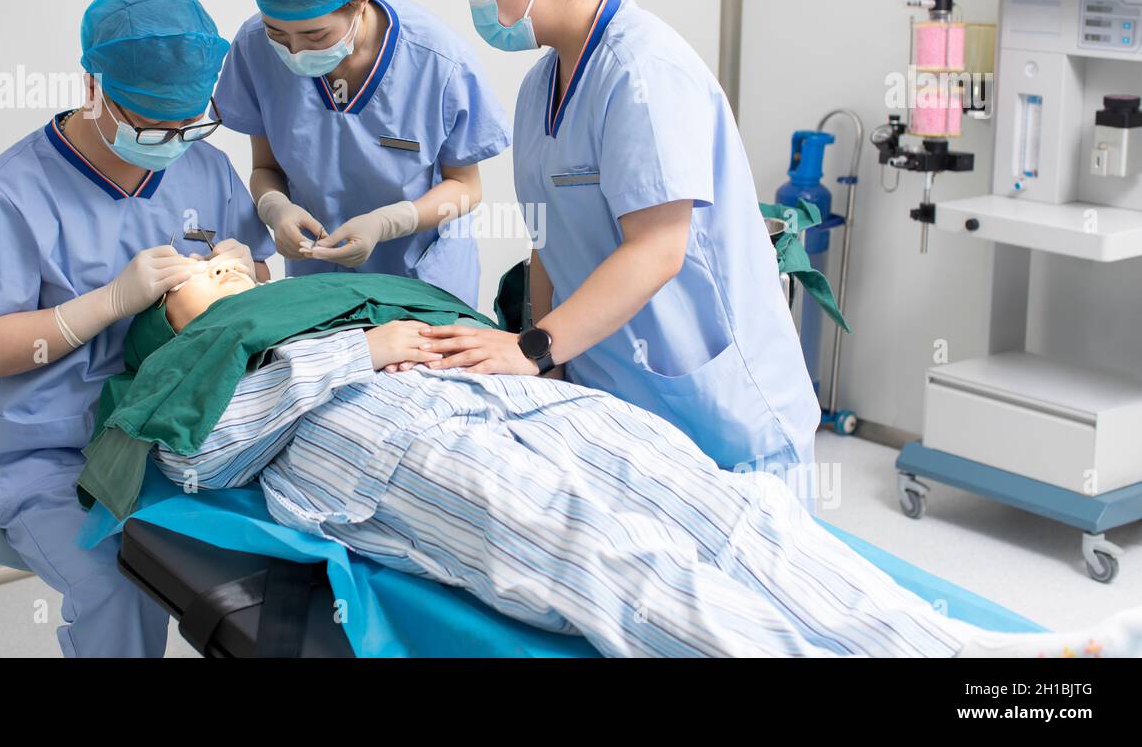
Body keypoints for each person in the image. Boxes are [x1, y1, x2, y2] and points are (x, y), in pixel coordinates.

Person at [132, 271, 1142, 658]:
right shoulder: (198, 366)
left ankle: (993, 659)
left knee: (732, 511)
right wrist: (358, 351)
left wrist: (411, 331)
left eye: (230, 260)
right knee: (605, 557)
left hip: (531, 406)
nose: (221, 268)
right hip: (398, 452)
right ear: (172, 322)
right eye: (194, 275)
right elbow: (204, 459)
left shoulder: (344, 290)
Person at [424, 0, 818, 479]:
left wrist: (531, 350)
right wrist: (547, 363)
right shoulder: (538, 89)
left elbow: (657, 250)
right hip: (613, 392)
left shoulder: (644, 73)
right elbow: (548, 242)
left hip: (714, 401)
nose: (475, 0)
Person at [0, 0, 275, 657]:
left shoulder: (203, 166)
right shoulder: (8, 196)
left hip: (185, 441)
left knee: (287, 567)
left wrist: (251, 271)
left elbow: (257, 286)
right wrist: (104, 305)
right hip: (58, 456)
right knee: (121, 588)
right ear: (93, 88)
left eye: (189, 124)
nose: (173, 143)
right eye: (152, 126)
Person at [214, 0, 512, 307]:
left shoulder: (438, 62)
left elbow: (466, 187)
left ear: (359, 3)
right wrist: (275, 208)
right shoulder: (254, 46)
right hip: (318, 279)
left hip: (421, 278)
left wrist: (388, 223)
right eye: (277, 33)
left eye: (315, 34)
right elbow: (266, 169)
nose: (293, 50)